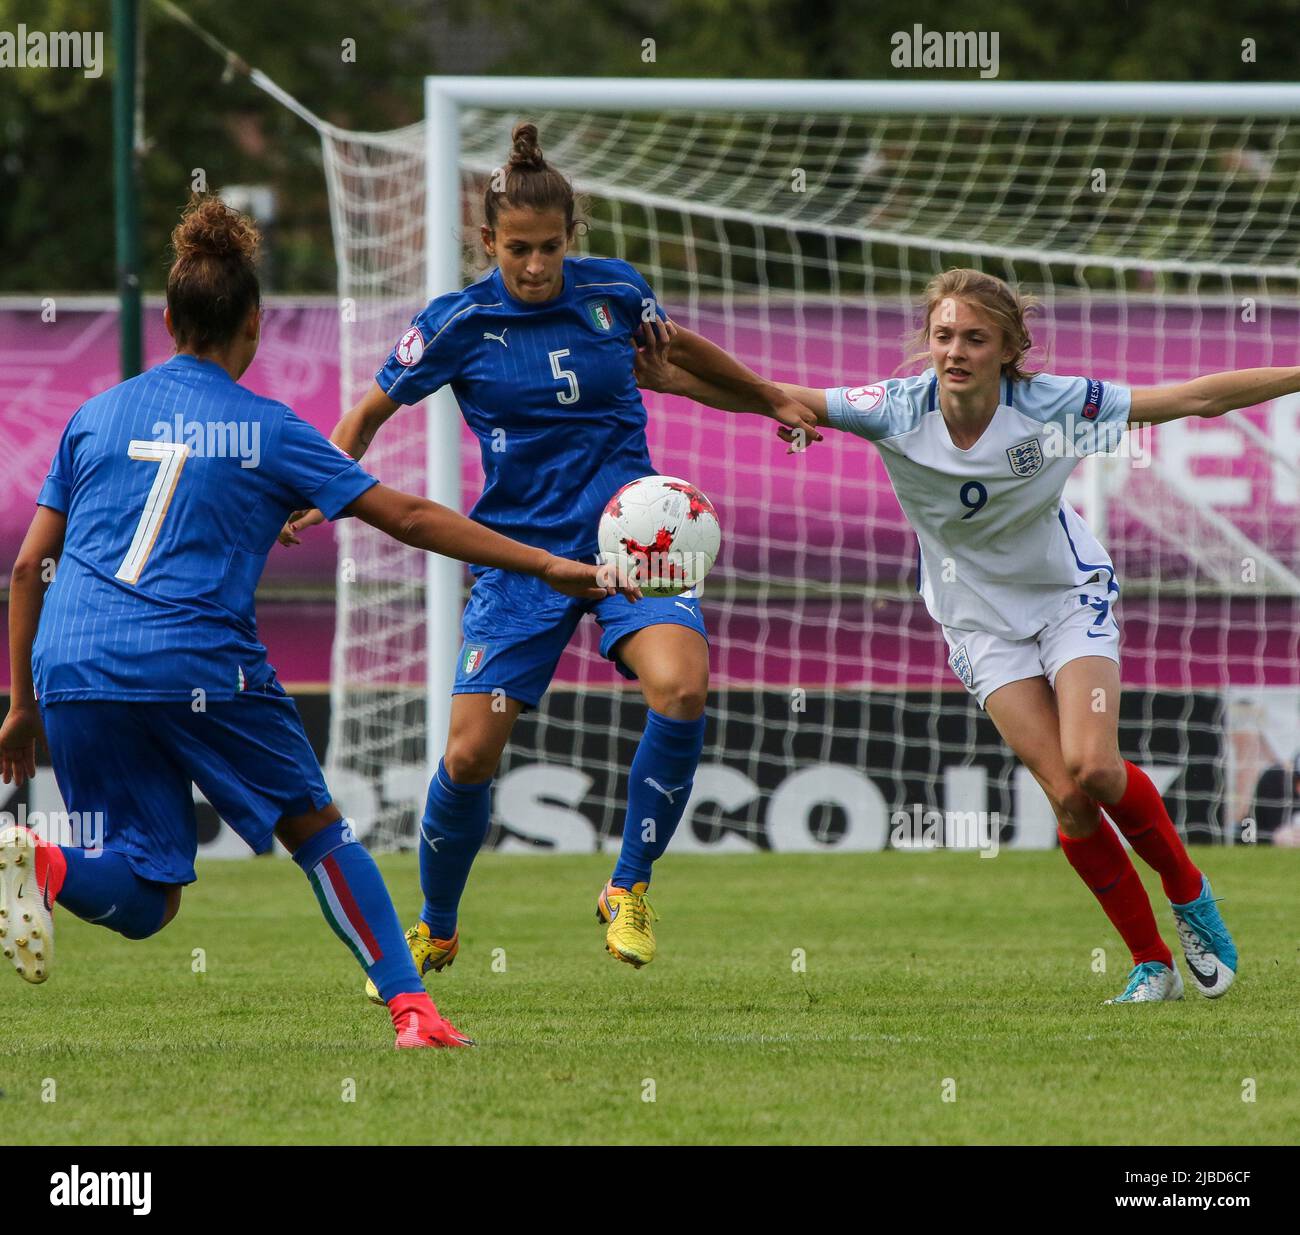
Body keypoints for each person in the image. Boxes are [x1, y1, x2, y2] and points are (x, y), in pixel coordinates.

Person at [0, 195, 633, 1049]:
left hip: (72, 665)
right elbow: (405, 515)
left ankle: (39, 862)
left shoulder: (93, 418)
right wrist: (548, 561)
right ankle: (415, 1010)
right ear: (254, 325)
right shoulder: (269, 429)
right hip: (195, 661)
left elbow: (25, 567)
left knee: (148, 898)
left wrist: (21, 705)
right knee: (317, 830)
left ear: (167, 318)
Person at [633, 266, 1292, 1004]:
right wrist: (675, 383)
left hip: (1066, 598)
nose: (956, 350)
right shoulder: (894, 407)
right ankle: (1151, 963)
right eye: (944, 335)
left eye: (976, 338)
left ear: (1009, 349)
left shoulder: (1059, 404)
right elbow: (777, 401)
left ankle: (1190, 894)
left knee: (1095, 767)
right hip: (976, 620)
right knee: (1067, 798)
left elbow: (1198, 398)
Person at [281, 122, 818, 988]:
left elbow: (675, 357)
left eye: (551, 247)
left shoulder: (613, 294)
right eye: (518, 249)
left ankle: (629, 887)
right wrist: (324, 479)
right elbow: (370, 409)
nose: (536, 266)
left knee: (681, 686)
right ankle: (439, 926)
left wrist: (769, 399)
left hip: (631, 533)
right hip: (518, 554)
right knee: (468, 755)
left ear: (574, 238)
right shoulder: (455, 322)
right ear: (487, 242)